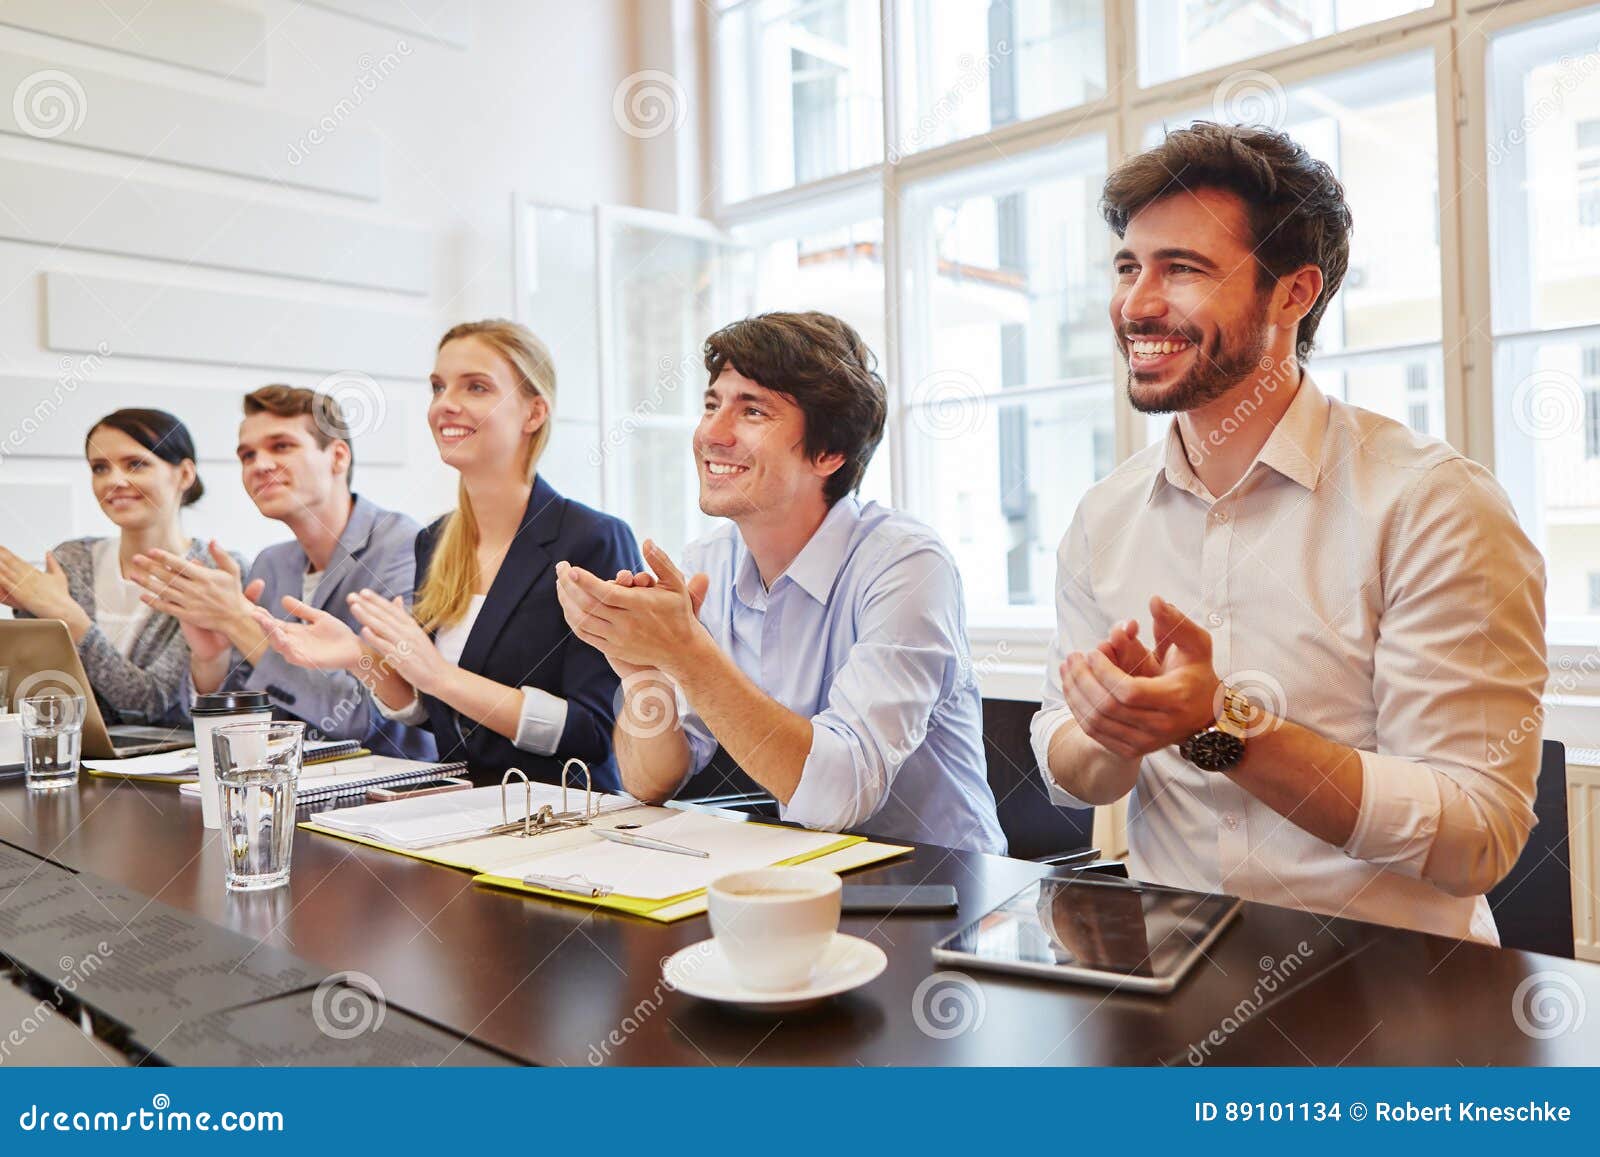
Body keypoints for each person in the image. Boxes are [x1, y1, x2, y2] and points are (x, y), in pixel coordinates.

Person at [1031, 121, 1548, 943]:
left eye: (1183, 269)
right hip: (1173, 980)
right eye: (1129, 267)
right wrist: (1110, 728)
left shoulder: (1436, 505)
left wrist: (1224, 726)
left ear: (1293, 293)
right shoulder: (1104, 515)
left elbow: (1476, 837)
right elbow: (1069, 756)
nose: (1136, 304)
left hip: (1396, 992)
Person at [555, 311, 1006, 853]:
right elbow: (649, 781)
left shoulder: (907, 565)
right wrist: (644, 671)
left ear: (829, 453)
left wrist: (690, 654)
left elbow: (837, 797)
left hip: (939, 888)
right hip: (800, 878)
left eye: (752, 410)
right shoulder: (708, 563)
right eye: (712, 404)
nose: (712, 434)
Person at [254, 320, 642, 790]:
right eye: (438, 387)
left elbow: (593, 731)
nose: (445, 405)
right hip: (461, 808)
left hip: (561, 818)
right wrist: (360, 657)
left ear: (533, 413)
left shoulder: (592, 540)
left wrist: (441, 677)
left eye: (476, 387)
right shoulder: (436, 540)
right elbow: (428, 712)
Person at [130, 385, 434, 760]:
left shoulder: (404, 546)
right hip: (290, 787)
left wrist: (240, 623)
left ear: (338, 457)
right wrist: (211, 659)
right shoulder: (271, 564)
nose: (258, 465)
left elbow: (366, 719)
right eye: (247, 455)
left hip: (392, 791)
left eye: (281, 446)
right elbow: (240, 726)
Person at [0, 409, 232, 725]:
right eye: (100, 468)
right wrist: (28, 611)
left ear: (185, 474)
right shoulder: (71, 560)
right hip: (74, 763)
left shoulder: (214, 573)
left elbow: (152, 707)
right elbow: (45, 694)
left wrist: (66, 616)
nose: (114, 481)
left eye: (135, 464)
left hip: (164, 767)